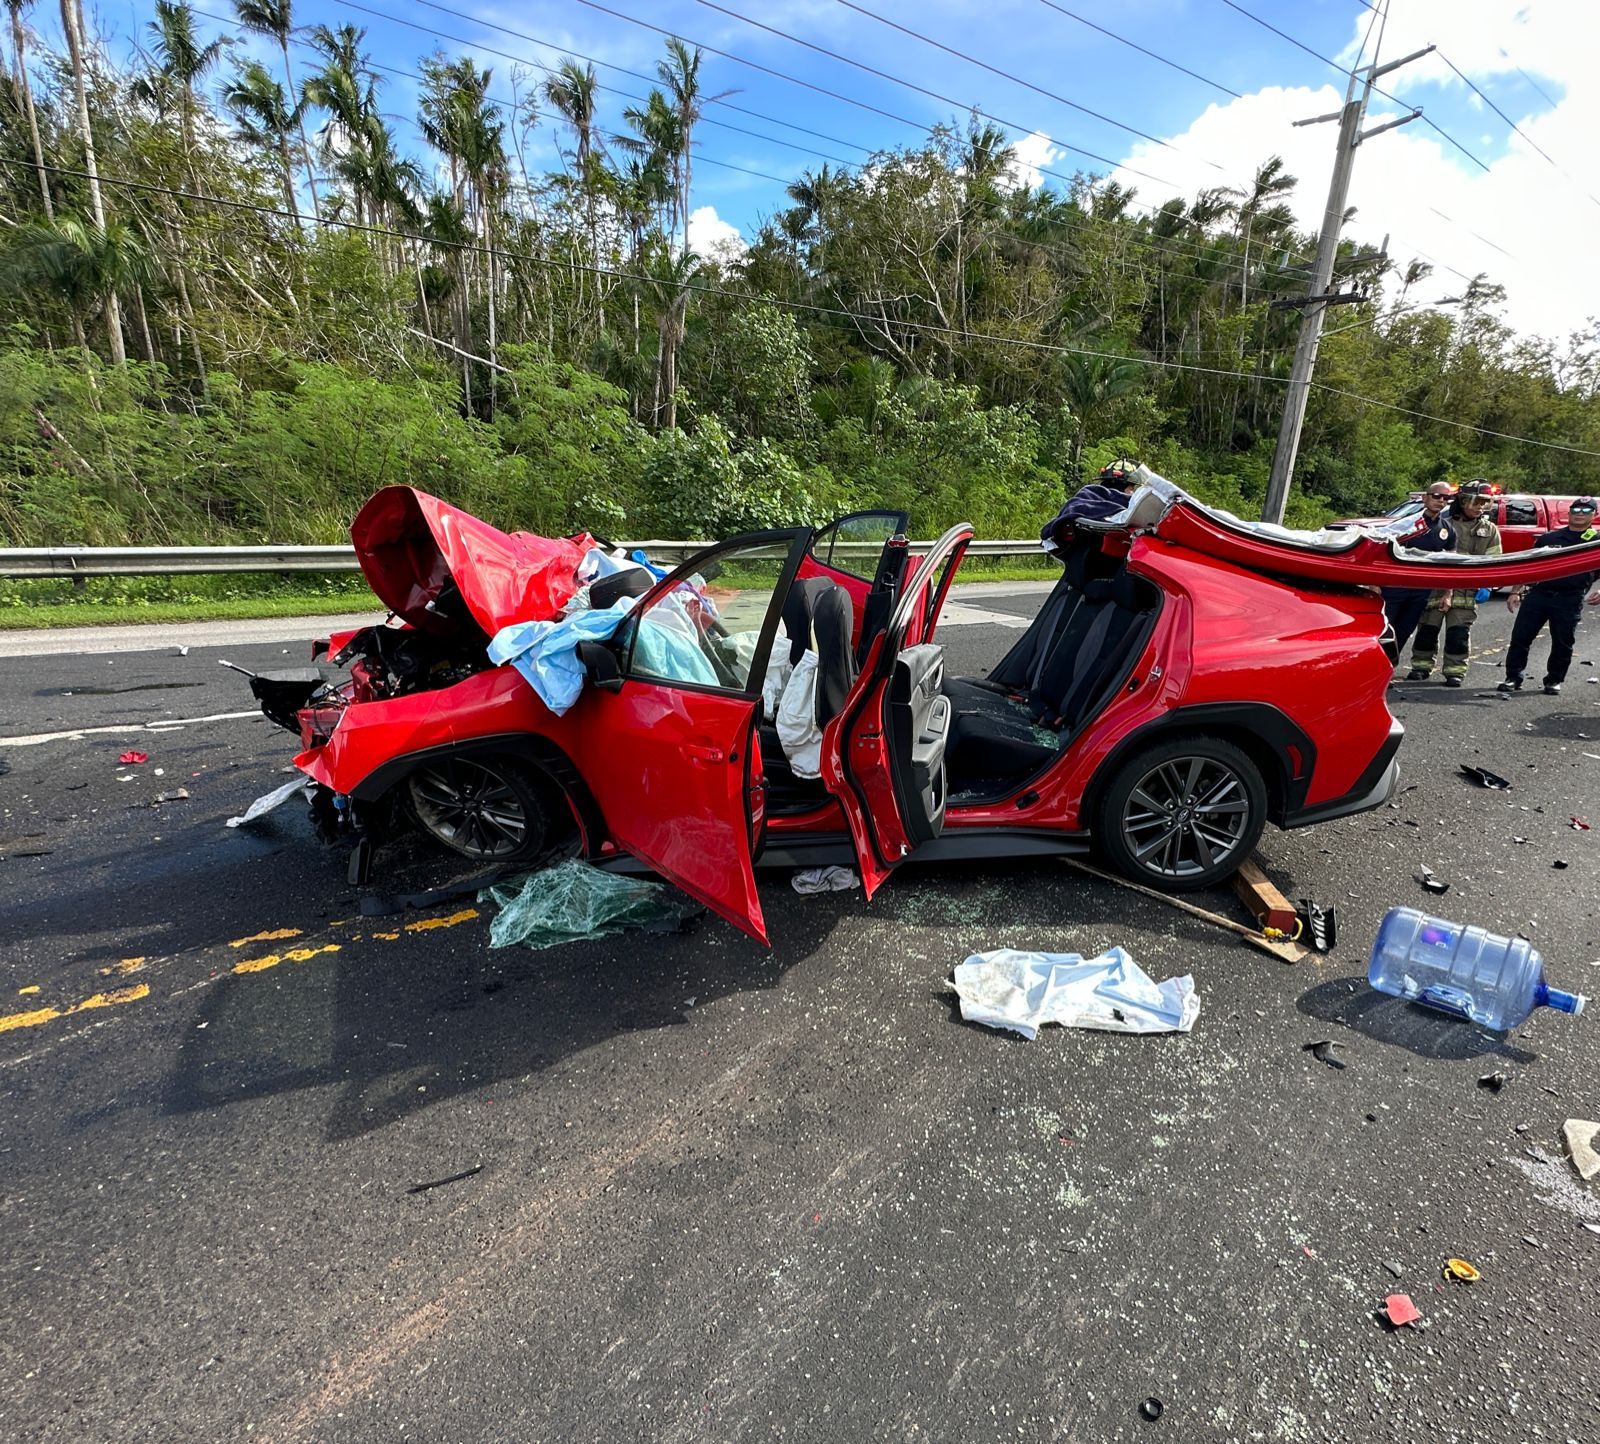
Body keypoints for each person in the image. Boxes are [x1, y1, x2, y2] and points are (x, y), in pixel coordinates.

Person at [1499, 497, 1600, 695]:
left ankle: (1554, 680)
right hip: (1539, 594)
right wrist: (1515, 591)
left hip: (1570, 598)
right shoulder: (1549, 539)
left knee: (1563, 642)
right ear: (1569, 513)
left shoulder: (1596, 543)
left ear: (1594, 515)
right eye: (1576, 510)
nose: (1580, 514)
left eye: (1586, 510)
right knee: (1521, 637)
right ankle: (1513, 677)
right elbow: (1529, 566)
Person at [1405, 479, 1502, 688]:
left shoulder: (1489, 530)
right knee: (1427, 629)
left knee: (1458, 633)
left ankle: (1455, 671)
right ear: (1462, 501)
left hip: (1466, 590)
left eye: (1484, 503)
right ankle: (1421, 666)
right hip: (1435, 588)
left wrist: (1487, 585)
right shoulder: (1444, 524)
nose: (1479, 507)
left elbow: (1494, 561)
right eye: (1475, 502)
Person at [1381, 483, 1458, 657]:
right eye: (1436, 496)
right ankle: (1373, 668)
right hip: (1394, 587)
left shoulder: (1447, 529)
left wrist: (1448, 593)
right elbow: (1381, 552)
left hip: (1421, 591)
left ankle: (1389, 667)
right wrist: (1374, 584)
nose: (1441, 500)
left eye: (1446, 498)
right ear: (1425, 497)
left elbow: (1450, 564)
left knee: (1403, 631)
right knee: (1384, 631)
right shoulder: (1406, 524)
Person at [1040, 459, 1142, 550]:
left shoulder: (1086, 501)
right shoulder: (1125, 509)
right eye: (1131, 488)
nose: (1133, 493)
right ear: (1122, 486)